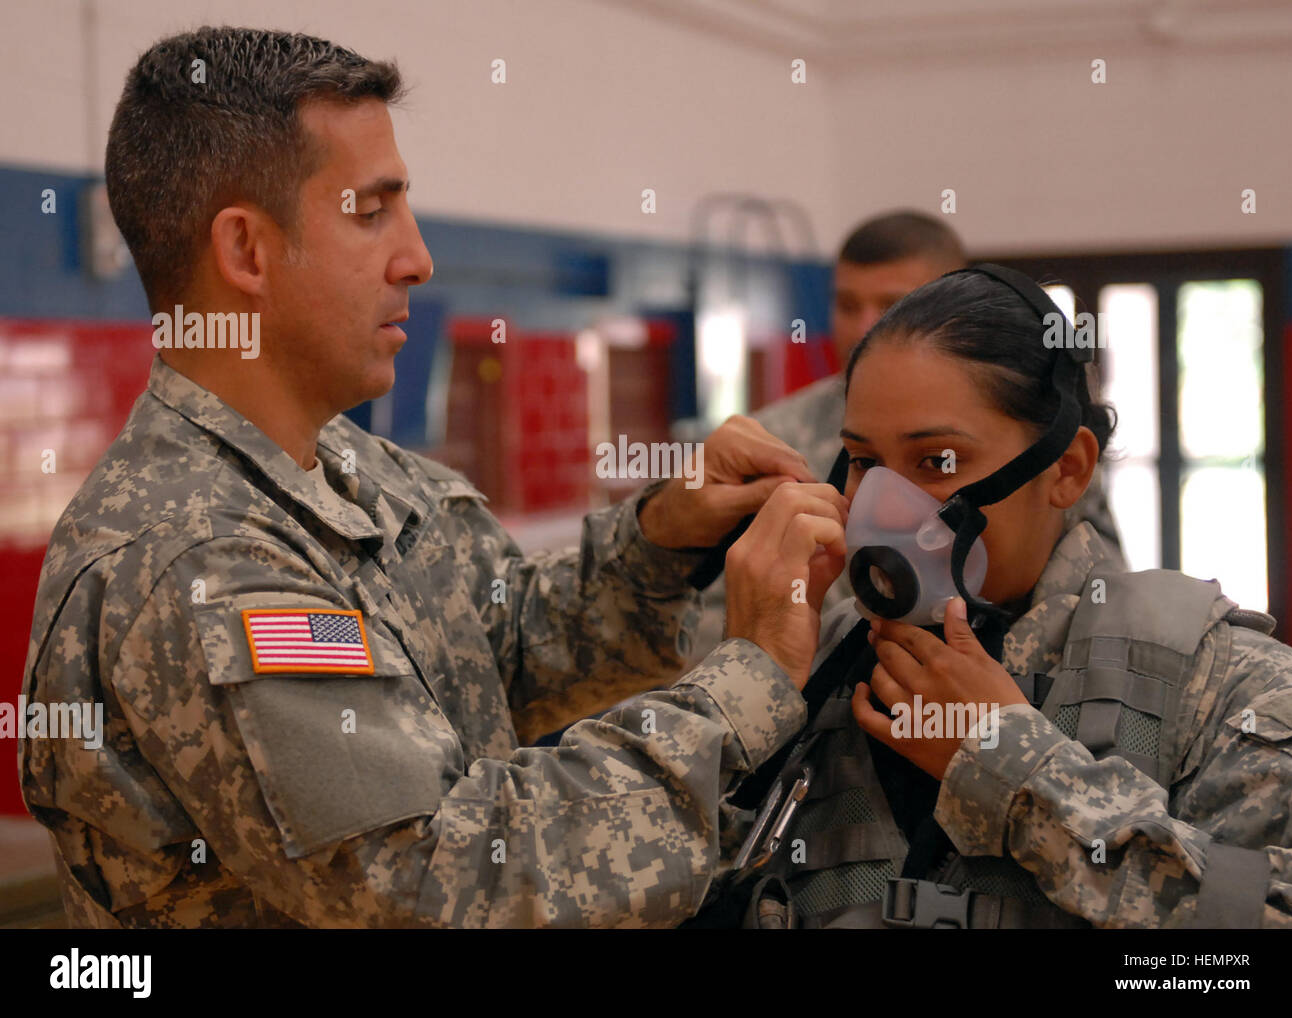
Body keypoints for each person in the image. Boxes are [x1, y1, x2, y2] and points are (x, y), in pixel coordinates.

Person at [18, 26, 851, 929]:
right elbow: (436, 878)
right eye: (371, 213)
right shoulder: (198, 560)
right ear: (247, 252)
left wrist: (661, 540)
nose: (417, 257)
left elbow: (505, 643)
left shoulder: (359, 471)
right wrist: (745, 684)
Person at [694, 265, 1292, 928]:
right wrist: (743, 691)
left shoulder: (1223, 683)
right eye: (865, 462)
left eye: (939, 463)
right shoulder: (810, 671)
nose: (885, 509)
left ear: (1066, 469)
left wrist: (1008, 767)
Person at [688, 213, 1126, 668]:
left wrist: (1000, 722)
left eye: (937, 461)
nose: (864, 329)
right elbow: (717, 612)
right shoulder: (773, 440)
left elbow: (1098, 580)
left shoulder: (1039, 440)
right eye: (862, 460)